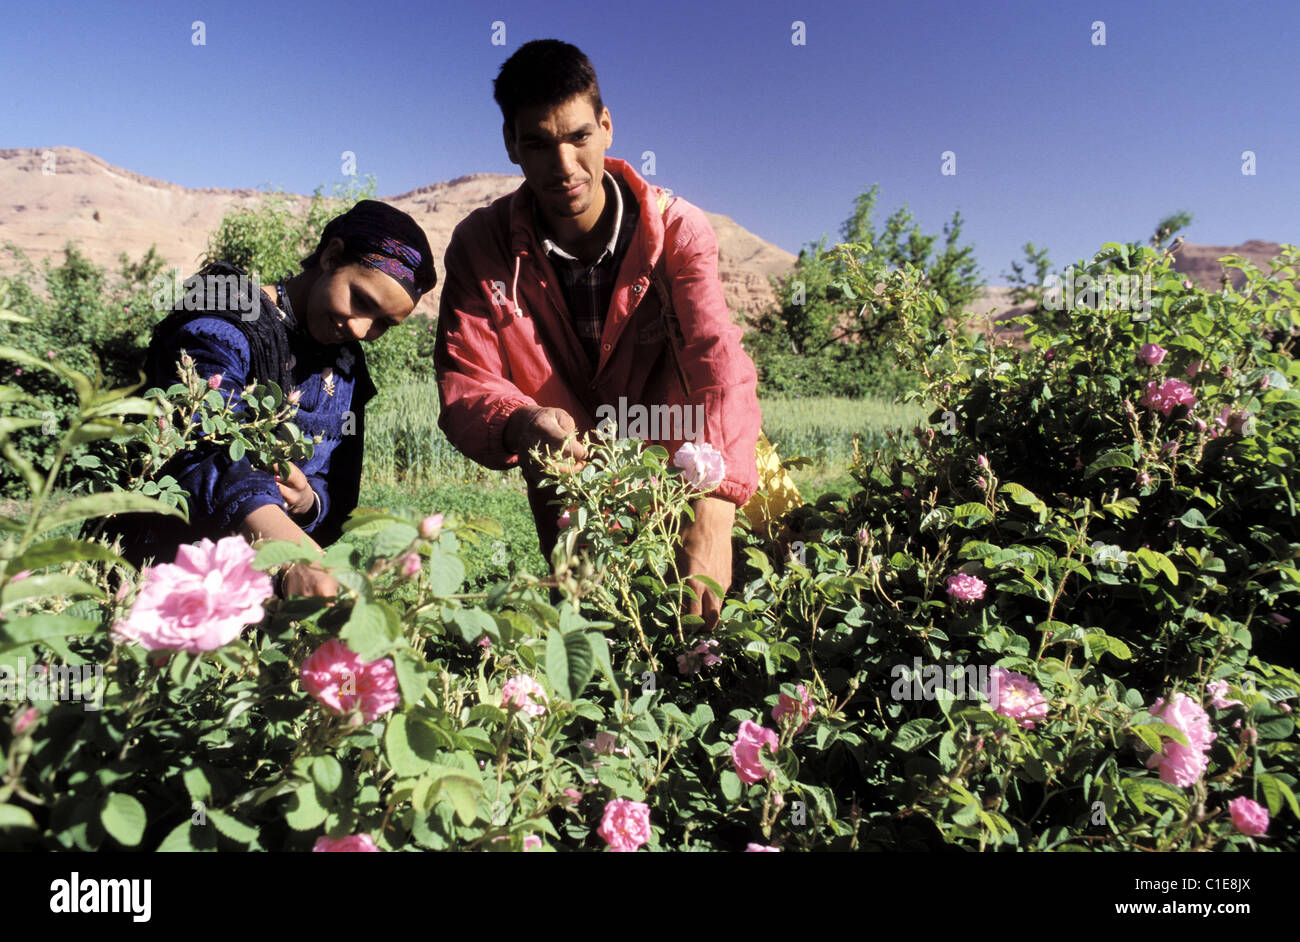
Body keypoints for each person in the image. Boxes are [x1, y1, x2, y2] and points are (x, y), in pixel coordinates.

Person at [434, 39, 761, 625]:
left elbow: (719, 365)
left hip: (678, 473)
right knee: (593, 641)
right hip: (567, 485)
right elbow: (467, 377)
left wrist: (712, 507)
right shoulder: (479, 246)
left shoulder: (678, 230)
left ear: (606, 126)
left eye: (579, 137)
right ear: (511, 143)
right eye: (537, 143)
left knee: (702, 642)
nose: (563, 167)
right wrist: (520, 420)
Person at [107, 200, 435, 597]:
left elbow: (338, 485)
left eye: (385, 323)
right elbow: (203, 454)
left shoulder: (346, 363)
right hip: (160, 575)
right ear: (331, 257)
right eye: (362, 300)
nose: (363, 329)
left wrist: (309, 502)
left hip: (260, 596)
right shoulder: (222, 325)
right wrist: (295, 556)